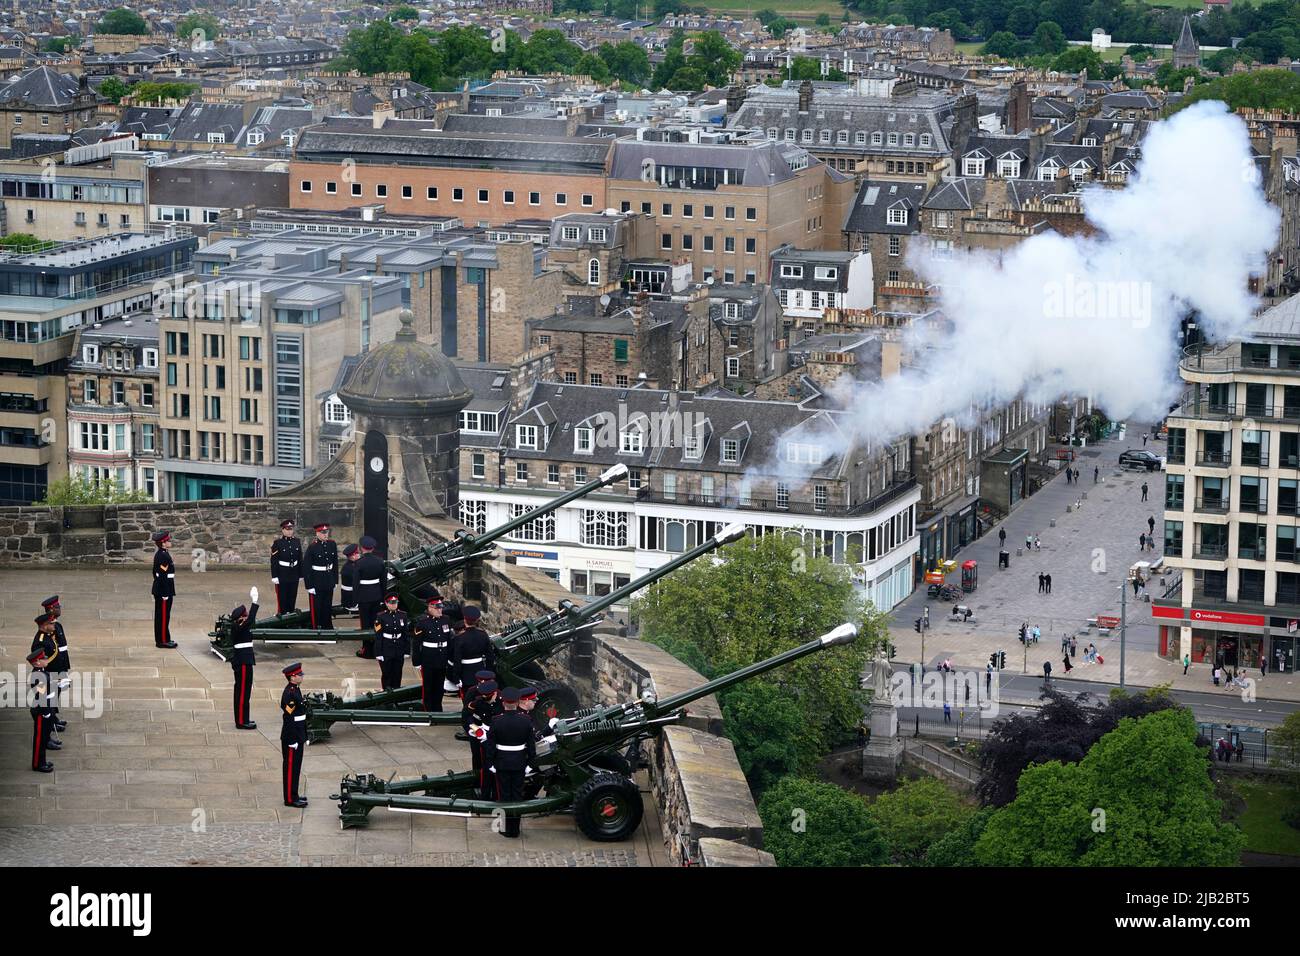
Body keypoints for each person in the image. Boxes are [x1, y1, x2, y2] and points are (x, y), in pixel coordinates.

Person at [488, 687, 537, 838]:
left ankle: (504, 827)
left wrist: (491, 763)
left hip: (502, 762)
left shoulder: (496, 721)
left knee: (504, 795)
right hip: (519, 762)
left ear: (503, 703)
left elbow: (491, 745)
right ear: (517, 702)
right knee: (517, 795)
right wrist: (530, 764)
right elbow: (531, 745)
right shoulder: (526, 720)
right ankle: (514, 829)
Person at [412, 595, 453, 712]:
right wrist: (417, 662)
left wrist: (449, 658)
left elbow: (449, 641)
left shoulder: (446, 619)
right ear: (430, 608)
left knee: (439, 687)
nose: (440, 609)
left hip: (442, 658)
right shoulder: (423, 622)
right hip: (428, 659)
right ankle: (428, 710)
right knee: (428, 687)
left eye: (441, 607)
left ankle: (438, 709)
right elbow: (416, 644)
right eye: (437, 607)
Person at [230, 587, 259, 730]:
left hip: (245, 661)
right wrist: (255, 602)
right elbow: (251, 619)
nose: (247, 617)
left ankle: (244, 718)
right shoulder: (238, 627)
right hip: (242, 662)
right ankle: (241, 721)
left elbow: (251, 621)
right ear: (241, 617)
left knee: (245, 692)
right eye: (245, 615)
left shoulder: (241, 626)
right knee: (242, 692)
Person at [280, 662, 309, 808]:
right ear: (292, 677)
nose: (302, 676)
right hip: (292, 735)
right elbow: (289, 717)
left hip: (298, 734)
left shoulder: (296, 689)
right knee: (291, 767)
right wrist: (292, 739)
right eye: (299, 675)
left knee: (296, 767)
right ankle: (290, 799)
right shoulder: (290, 693)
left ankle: (294, 794)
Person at [467, 680, 502, 799]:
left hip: (499, 736)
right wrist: (475, 728)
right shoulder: (478, 703)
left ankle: (497, 795)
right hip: (485, 736)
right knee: (486, 768)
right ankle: (485, 795)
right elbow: (470, 718)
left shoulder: (502, 701)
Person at [40, 596, 70, 734]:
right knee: (51, 696)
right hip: (52, 669)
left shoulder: (57, 625)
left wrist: (65, 668)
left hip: (60, 666)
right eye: (58, 607)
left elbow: (63, 649)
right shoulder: (49, 630)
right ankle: (50, 721)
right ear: (51, 609)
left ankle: (54, 717)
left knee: (56, 694)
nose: (60, 609)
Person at [353, 536, 385, 658]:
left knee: (365, 624)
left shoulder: (359, 563)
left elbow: (356, 584)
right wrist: (382, 597)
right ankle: (377, 649)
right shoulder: (379, 561)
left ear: (362, 548)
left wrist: (355, 600)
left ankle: (367, 650)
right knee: (377, 623)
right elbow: (383, 582)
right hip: (377, 595)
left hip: (364, 597)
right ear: (372, 548)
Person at [302, 523, 338, 630]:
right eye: (323, 533)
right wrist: (309, 586)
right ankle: (317, 627)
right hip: (317, 580)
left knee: (327, 605)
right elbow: (307, 568)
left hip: (328, 579)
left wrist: (335, 580)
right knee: (317, 607)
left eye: (326, 532)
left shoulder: (332, 544)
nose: (325, 535)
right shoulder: (312, 547)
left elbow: (335, 563)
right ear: (317, 533)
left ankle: (327, 626)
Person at [451, 606, 494, 691]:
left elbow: (457, 660)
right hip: (480, 671)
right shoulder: (483, 634)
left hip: (465, 673)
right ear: (477, 620)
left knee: (468, 700)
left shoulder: (459, 638)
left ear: (464, 619)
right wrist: (489, 673)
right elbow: (490, 656)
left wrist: (456, 677)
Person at [374, 593, 410, 691]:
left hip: (399, 648)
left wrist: (407, 650)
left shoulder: (403, 615)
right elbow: (378, 635)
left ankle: (396, 692)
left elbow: (406, 634)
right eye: (391, 603)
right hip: (386, 647)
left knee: (398, 673)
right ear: (386, 603)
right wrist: (379, 653)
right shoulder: (381, 617)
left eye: (395, 602)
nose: (394, 605)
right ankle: (386, 693)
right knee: (387, 673)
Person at [28, 647, 55, 772]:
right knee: (40, 739)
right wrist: (46, 713)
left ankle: (42, 761)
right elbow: (41, 696)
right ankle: (37, 764)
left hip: (46, 707)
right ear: (37, 662)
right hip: (41, 710)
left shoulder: (41, 671)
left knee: (44, 738)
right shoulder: (39, 675)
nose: (46, 659)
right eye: (43, 658)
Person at [151, 530, 178, 648]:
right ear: (163, 543)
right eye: (168, 540)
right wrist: (165, 592)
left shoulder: (163, 553)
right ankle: (162, 641)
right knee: (162, 616)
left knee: (165, 616)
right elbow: (161, 575)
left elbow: (155, 572)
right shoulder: (162, 555)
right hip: (163, 590)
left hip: (164, 588)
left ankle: (165, 638)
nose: (170, 542)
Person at [270, 520, 302, 615]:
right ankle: (283, 616)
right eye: (287, 529)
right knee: (283, 598)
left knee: (292, 596)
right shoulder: (277, 543)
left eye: (291, 529)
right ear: (283, 530)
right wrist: (274, 576)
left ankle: (291, 615)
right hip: (282, 574)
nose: (289, 531)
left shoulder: (297, 541)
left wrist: (301, 574)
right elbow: (274, 560)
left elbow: (300, 558)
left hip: (294, 573)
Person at [339, 544, 360, 614]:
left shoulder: (351, 565)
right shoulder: (349, 568)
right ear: (352, 556)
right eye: (357, 553)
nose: (358, 554)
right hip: (350, 599)